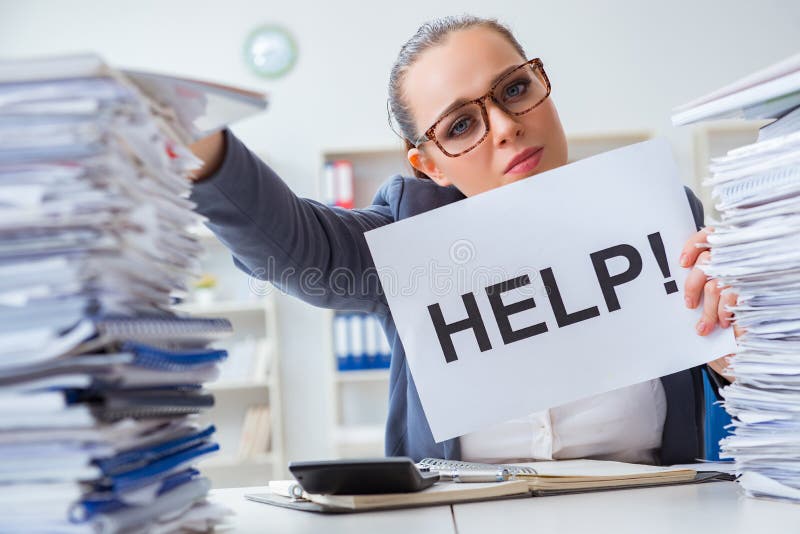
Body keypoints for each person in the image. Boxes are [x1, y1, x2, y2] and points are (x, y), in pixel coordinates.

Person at [188, 15, 737, 465]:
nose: (503, 126)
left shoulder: (658, 213)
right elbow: (303, 249)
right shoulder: (407, 242)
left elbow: (742, 406)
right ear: (428, 165)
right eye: (459, 126)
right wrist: (205, 154)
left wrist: (738, 357)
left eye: (515, 89)